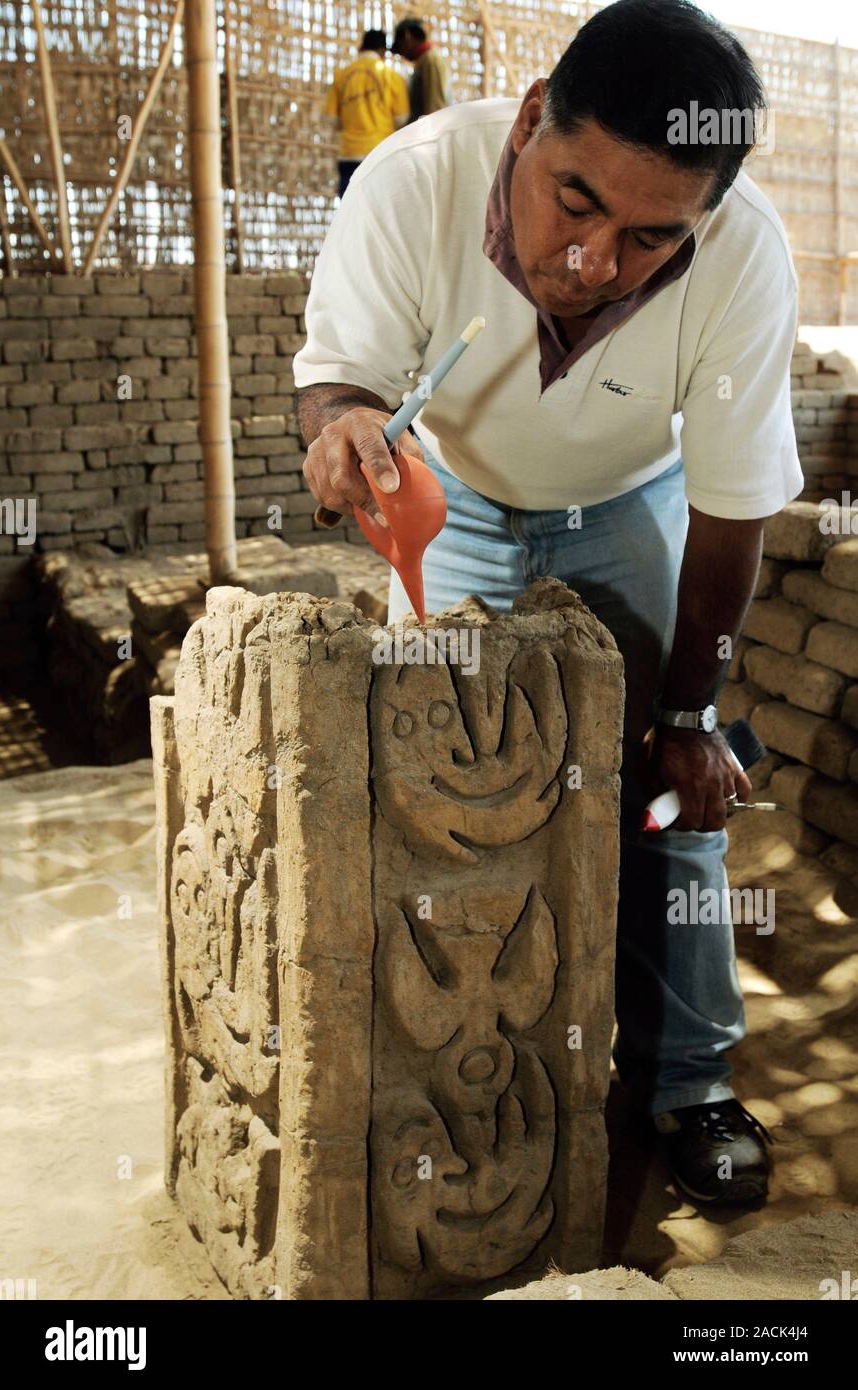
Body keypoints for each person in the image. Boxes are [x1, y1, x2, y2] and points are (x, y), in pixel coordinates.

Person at [295, 0, 801, 1206]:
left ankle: (691, 1079)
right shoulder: (412, 179)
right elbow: (338, 380)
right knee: (450, 785)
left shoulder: (743, 258)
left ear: (704, 219)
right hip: (454, 500)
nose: (588, 263)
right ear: (529, 124)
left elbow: (732, 512)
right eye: (573, 202)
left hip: (631, 501)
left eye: (646, 238)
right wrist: (345, 431)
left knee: (672, 798)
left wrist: (690, 709)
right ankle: (459, 1079)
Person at [324, 29, 409, 198]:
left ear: (361, 47)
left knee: (349, 216)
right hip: (380, 154)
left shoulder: (342, 75)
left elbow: (331, 118)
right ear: (383, 51)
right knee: (380, 214)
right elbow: (402, 118)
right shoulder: (392, 77)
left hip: (349, 155)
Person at [391, 17, 451, 121]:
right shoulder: (423, 61)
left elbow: (435, 108)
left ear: (407, 36)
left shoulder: (431, 60)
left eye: (401, 47)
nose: (403, 55)